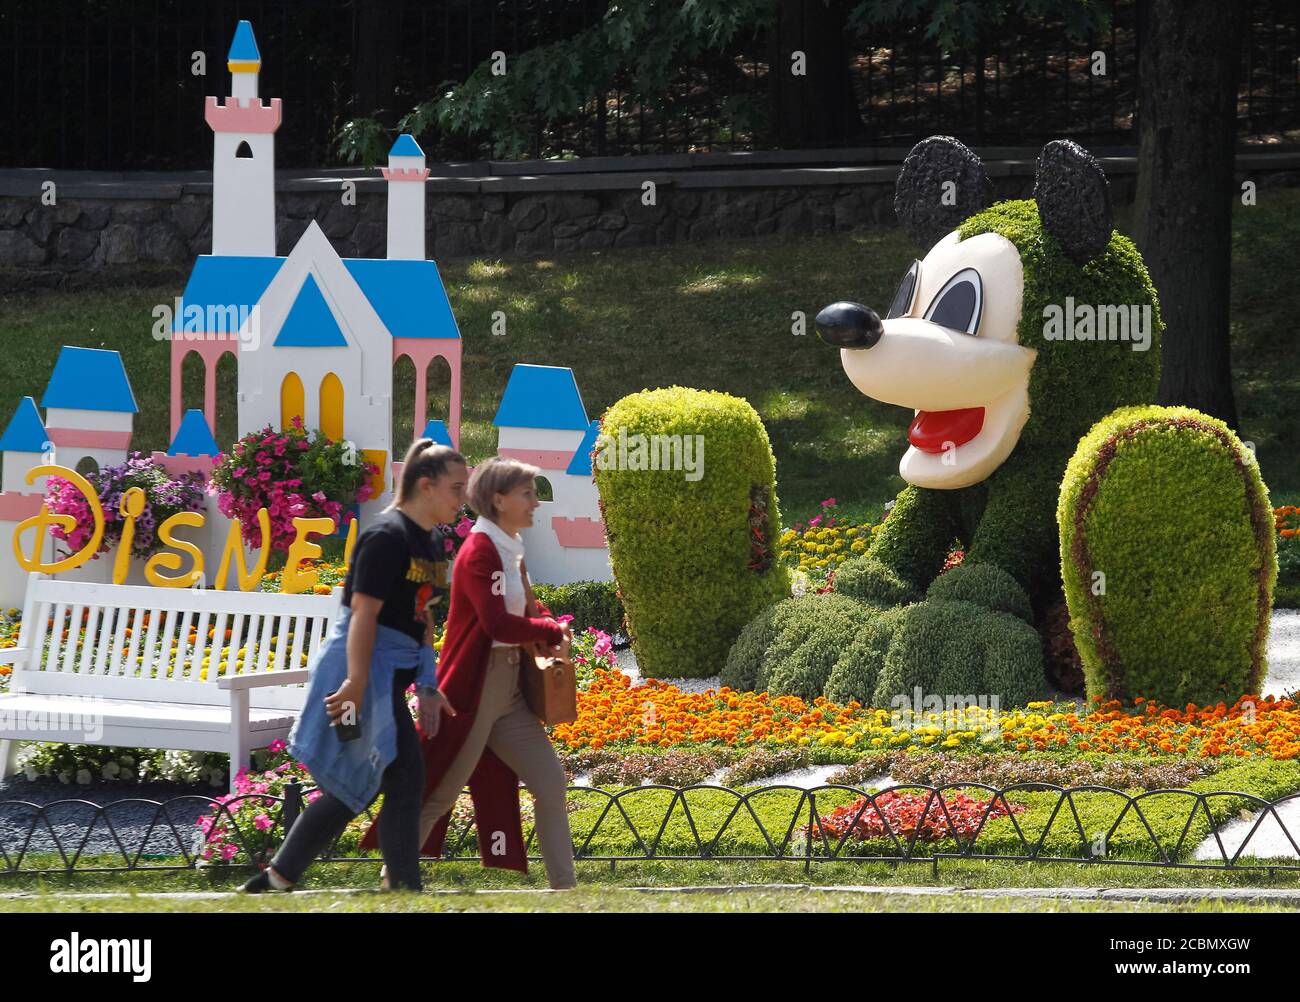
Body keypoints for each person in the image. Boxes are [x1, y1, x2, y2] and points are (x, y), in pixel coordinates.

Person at [239, 440, 466, 893]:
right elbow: (363, 614)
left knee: (362, 779)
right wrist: (356, 683)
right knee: (398, 772)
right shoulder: (386, 537)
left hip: (383, 680)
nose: (463, 499)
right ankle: (402, 886)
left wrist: (427, 685)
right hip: (350, 677)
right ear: (426, 485)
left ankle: (279, 877)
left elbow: (424, 614)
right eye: (457, 488)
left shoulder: (433, 541)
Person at [363, 456, 577, 890]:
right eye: (527, 494)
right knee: (441, 792)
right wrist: (549, 629)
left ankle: (565, 889)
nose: (535, 502)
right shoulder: (481, 550)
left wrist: (548, 622)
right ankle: (393, 881)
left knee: (551, 783)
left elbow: (523, 609)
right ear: (499, 499)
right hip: (477, 688)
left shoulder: (509, 545)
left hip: (509, 690)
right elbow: (497, 624)